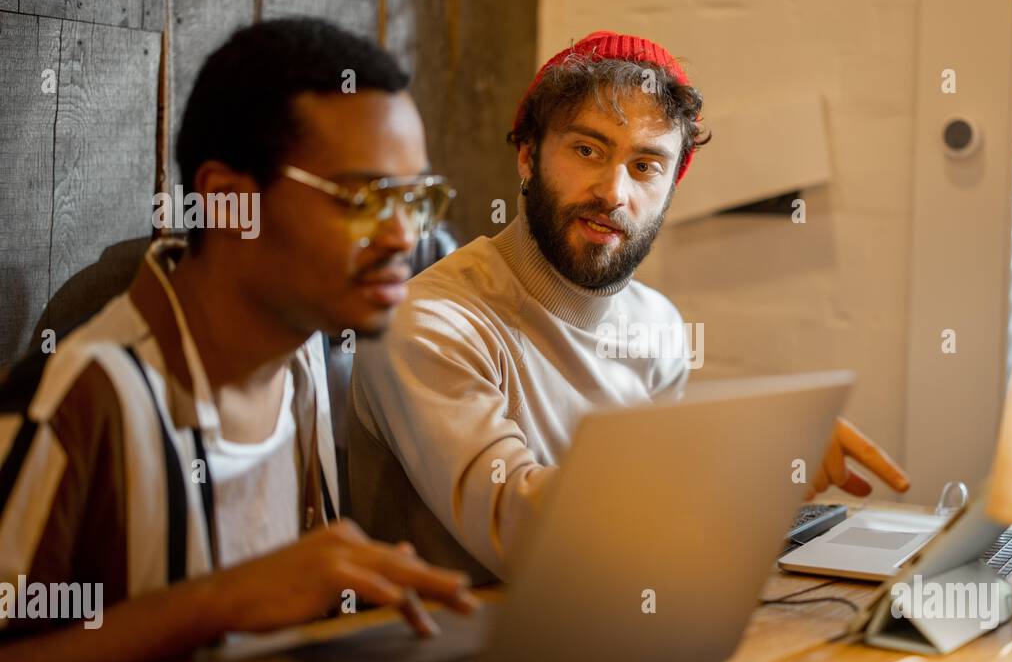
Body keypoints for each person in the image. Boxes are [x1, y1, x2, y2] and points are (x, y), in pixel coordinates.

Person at [0, 18, 475, 662]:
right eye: (363, 199)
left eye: (415, 199)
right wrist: (216, 601)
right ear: (228, 202)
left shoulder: (304, 361)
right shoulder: (75, 402)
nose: (403, 236)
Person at [349, 30, 909, 582]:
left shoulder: (657, 324)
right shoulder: (429, 323)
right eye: (587, 150)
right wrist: (745, 461)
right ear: (527, 155)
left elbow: (646, 526)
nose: (614, 193)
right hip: (450, 637)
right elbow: (521, 533)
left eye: (646, 166)